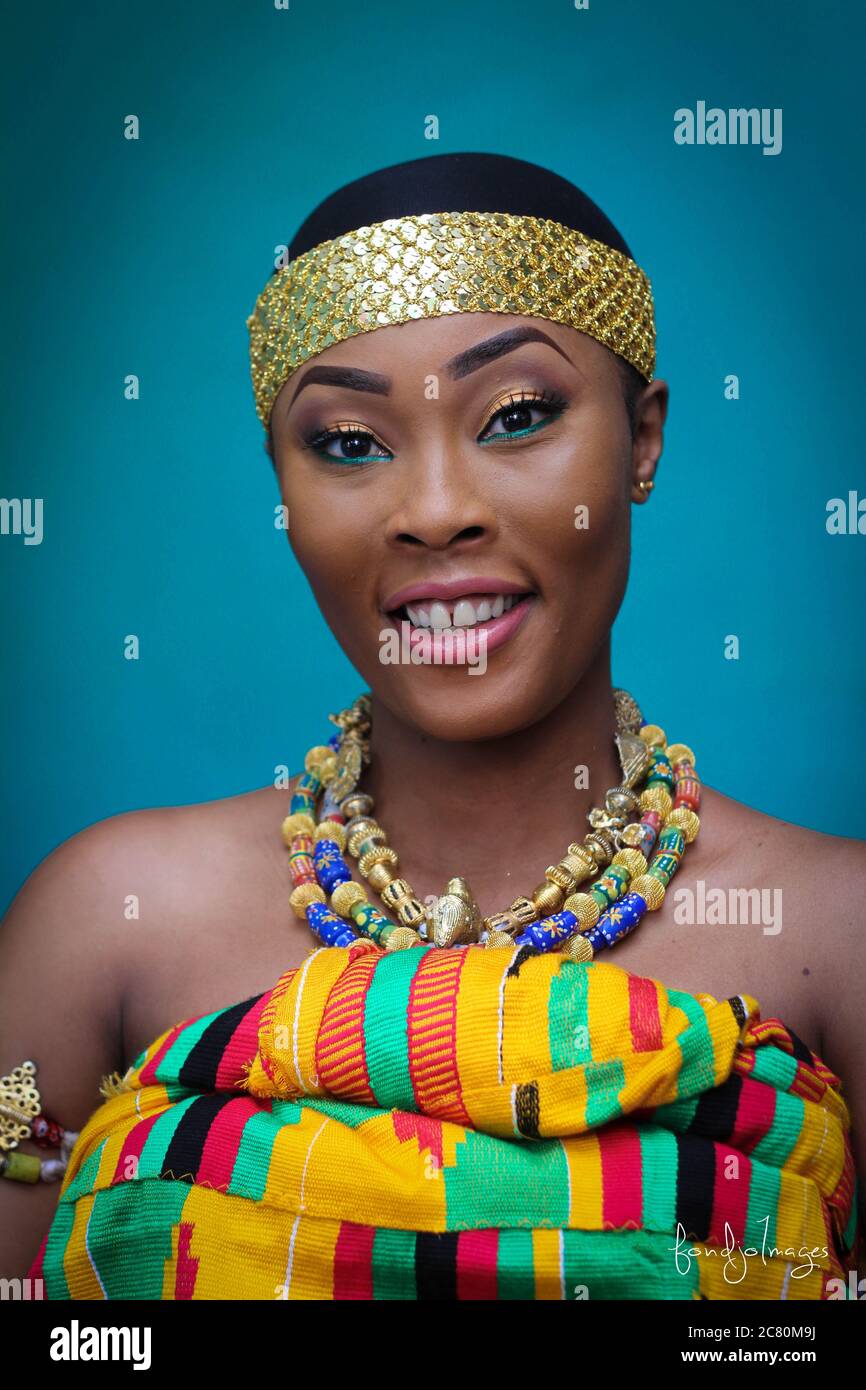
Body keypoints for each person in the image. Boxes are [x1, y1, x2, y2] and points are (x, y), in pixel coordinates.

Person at [1, 152, 863, 1300]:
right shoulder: (106, 925)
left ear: (642, 440)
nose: (435, 512)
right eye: (348, 444)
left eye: (515, 417)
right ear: (281, 487)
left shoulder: (834, 939)